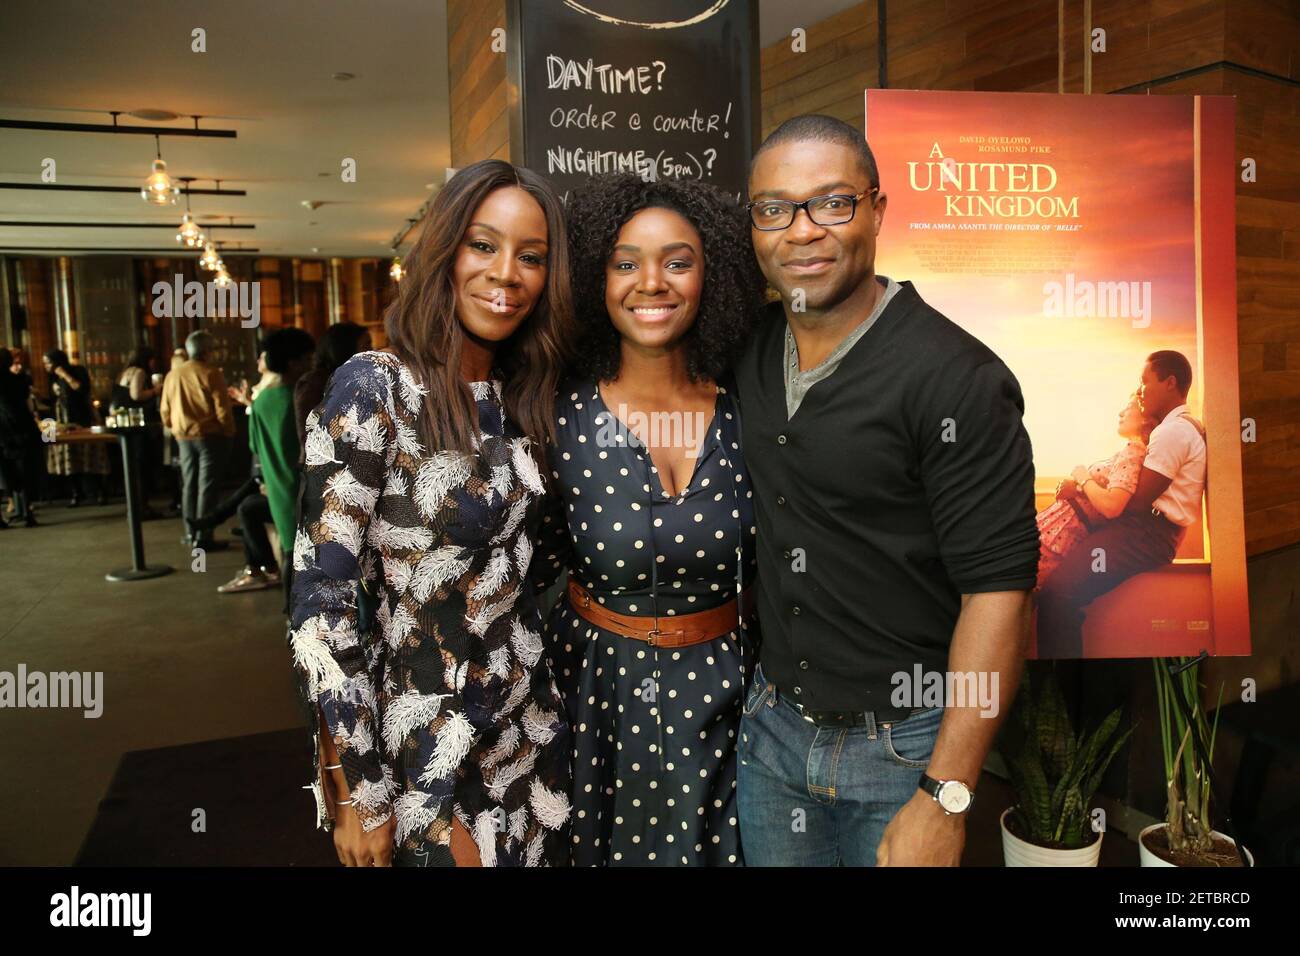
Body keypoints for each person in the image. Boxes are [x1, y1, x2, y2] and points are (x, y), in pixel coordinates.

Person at [733, 114, 1039, 866]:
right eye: (775, 209)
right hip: (771, 738)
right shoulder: (747, 349)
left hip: (904, 752)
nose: (802, 231)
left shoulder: (956, 377)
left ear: (877, 209)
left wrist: (949, 794)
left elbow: (998, 596)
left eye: (832, 202)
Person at [289, 159, 575, 867]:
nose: (506, 272)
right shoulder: (374, 388)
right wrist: (357, 791)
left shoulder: (525, 398)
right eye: (483, 244)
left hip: (528, 738)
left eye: (530, 256)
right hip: (424, 754)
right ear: (445, 250)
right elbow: (319, 608)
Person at [531, 175, 766, 866]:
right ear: (596, 280)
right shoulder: (556, 416)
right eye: (625, 262)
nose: (651, 283)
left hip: (731, 697)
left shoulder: (750, 409)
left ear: (711, 276)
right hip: (594, 700)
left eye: (678, 261)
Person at [1037, 351, 1206, 657]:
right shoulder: (1176, 429)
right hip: (1145, 531)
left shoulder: (1174, 431)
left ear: (1170, 383)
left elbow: (1135, 502)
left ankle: (1076, 691)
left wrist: (1083, 484)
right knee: (1055, 591)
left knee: (1059, 594)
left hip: (1145, 533)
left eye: (1145, 382)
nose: (1140, 391)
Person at [215, 327, 316, 595]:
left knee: (289, 552)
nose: (311, 365)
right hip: (304, 487)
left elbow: (254, 446)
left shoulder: (261, 402)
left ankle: (291, 621)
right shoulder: (299, 398)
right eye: (308, 360)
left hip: (277, 489)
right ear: (294, 363)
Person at [1036, 394, 1158, 587]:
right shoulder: (1129, 451)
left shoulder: (1134, 451)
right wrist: (1077, 487)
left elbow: (1112, 506)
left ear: (1145, 417)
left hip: (1054, 540)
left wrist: (1082, 476)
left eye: (1128, 408)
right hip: (1049, 534)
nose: (1121, 413)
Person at [160, 330, 235, 549]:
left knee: (189, 486)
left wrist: (174, 428)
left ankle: (189, 533)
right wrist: (229, 431)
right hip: (209, 437)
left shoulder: (172, 375)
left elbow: (164, 409)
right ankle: (203, 537)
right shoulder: (211, 373)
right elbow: (222, 408)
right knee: (207, 488)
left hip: (183, 437)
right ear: (207, 351)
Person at [42, 349, 110, 506]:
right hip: (62, 419)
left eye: (49, 362)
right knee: (69, 457)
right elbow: (53, 401)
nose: (46, 366)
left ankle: (99, 491)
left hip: (82, 418)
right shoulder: (51, 377)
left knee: (90, 455)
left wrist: (64, 375)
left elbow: (81, 389)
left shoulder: (77, 371)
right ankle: (76, 493)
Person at [113, 347, 165, 516]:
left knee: (131, 466)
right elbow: (136, 395)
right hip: (136, 425)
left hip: (123, 424)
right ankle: (141, 507)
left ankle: (134, 506)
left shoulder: (124, 372)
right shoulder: (139, 372)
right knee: (141, 465)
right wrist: (155, 391)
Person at [0, 348, 43, 527]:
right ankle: (27, 513)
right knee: (24, 472)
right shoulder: (20, 380)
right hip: (22, 430)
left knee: (4, 473)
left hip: (2, 431)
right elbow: (27, 402)